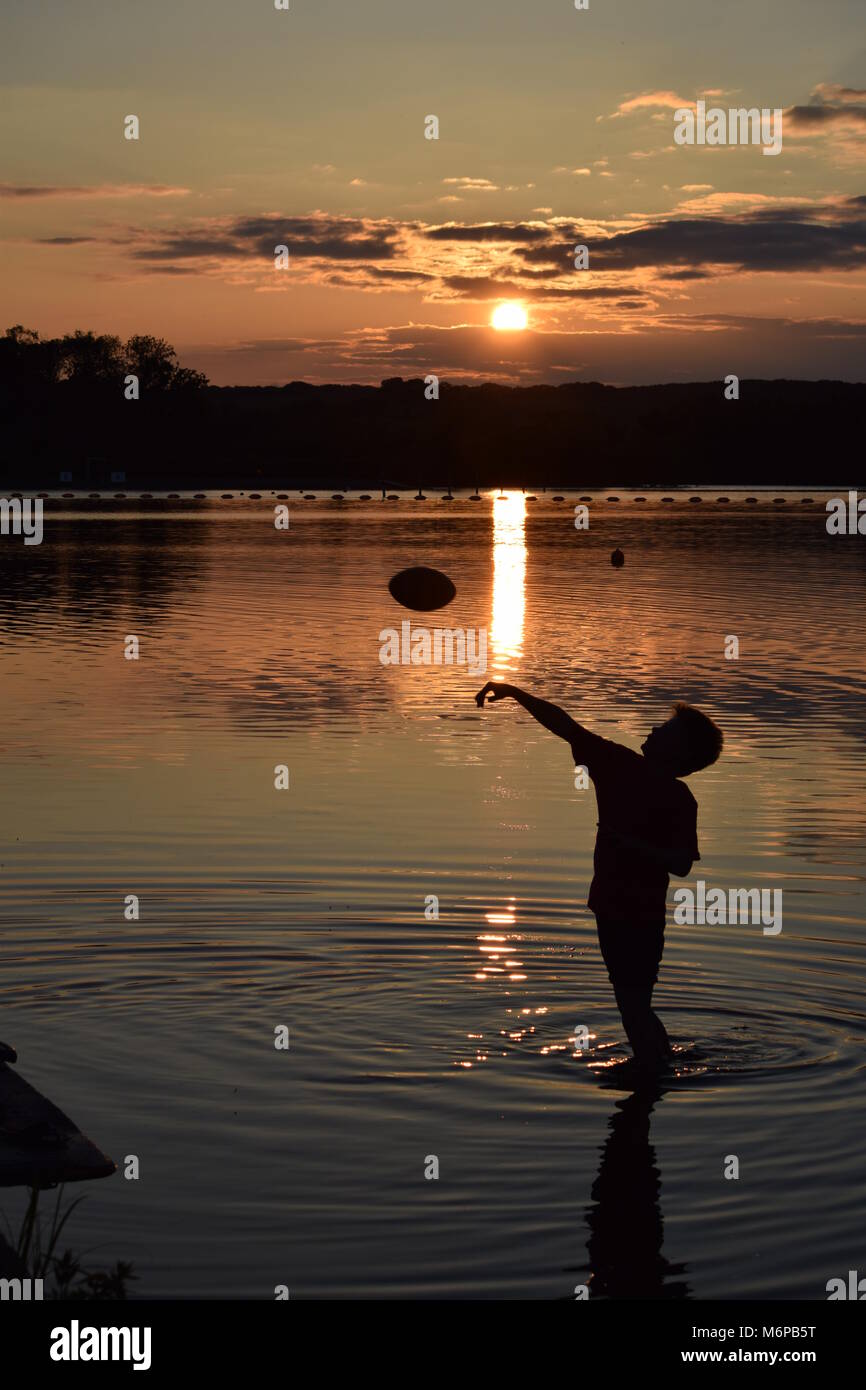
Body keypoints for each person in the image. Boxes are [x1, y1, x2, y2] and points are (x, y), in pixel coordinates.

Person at [474, 681, 723, 1073]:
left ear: (679, 754)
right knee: (634, 1003)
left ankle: (652, 1073)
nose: (654, 730)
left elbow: (681, 863)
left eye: (665, 730)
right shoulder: (616, 763)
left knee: (632, 1004)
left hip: (638, 917)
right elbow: (565, 726)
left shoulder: (677, 798)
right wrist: (517, 694)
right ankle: (658, 1069)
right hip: (610, 909)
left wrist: (631, 844)